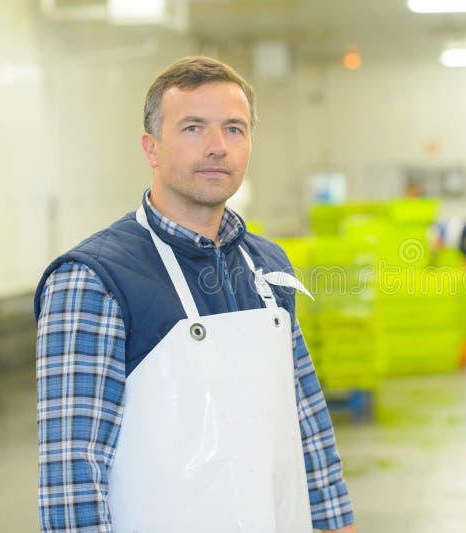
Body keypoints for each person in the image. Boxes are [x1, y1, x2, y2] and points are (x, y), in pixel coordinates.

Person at [35, 56, 355, 532]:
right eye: (192, 128)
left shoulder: (268, 266)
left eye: (234, 129)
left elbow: (307, 422)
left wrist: (336, 522)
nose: (217, 147)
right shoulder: (92, 279)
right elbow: (73, 473)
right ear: (152, 148)